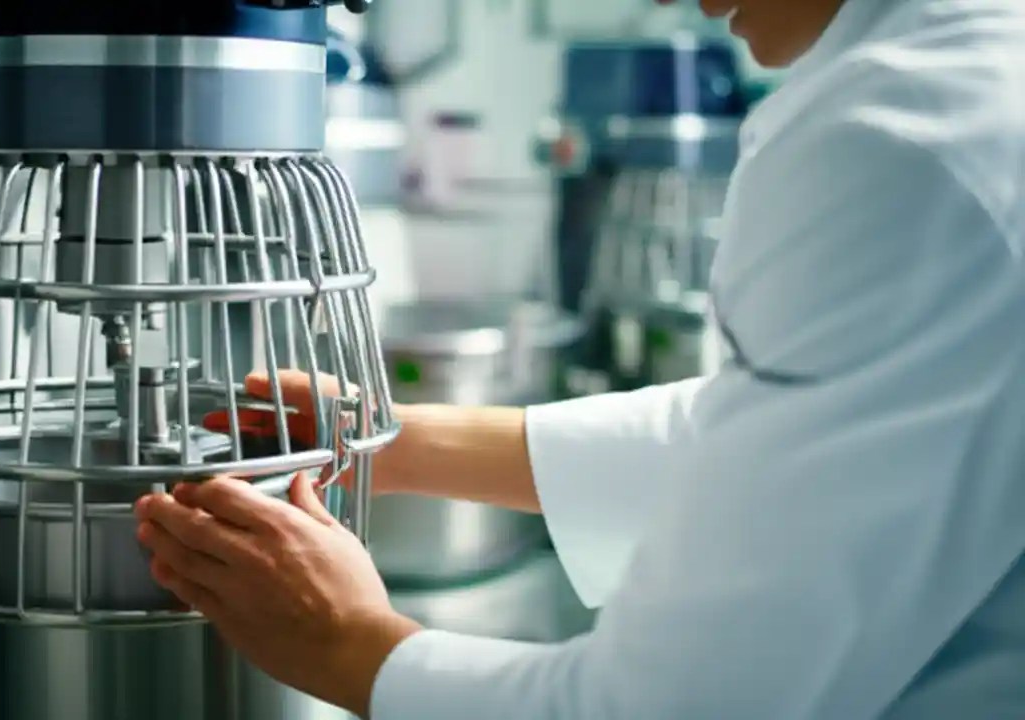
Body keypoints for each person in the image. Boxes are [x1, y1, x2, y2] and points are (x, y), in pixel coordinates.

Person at [134, 0, 1025, 717]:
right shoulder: (963, 84)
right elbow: (812, 450)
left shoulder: (893, 138)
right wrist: (398, 444)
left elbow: (681, 706)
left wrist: (351, 647)